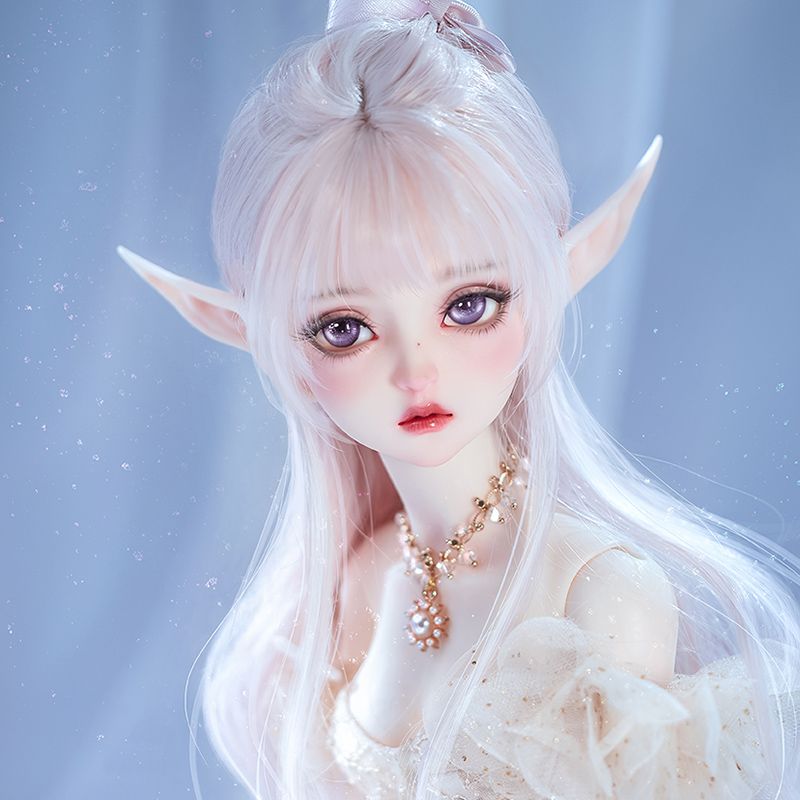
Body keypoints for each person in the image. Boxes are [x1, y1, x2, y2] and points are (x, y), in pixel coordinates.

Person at [117, 1, 800, 797]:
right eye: (344, 328)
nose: (416, 372)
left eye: (468, 306)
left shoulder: (597, 589)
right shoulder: (367, 577)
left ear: (544, 283)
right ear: (269, 340)